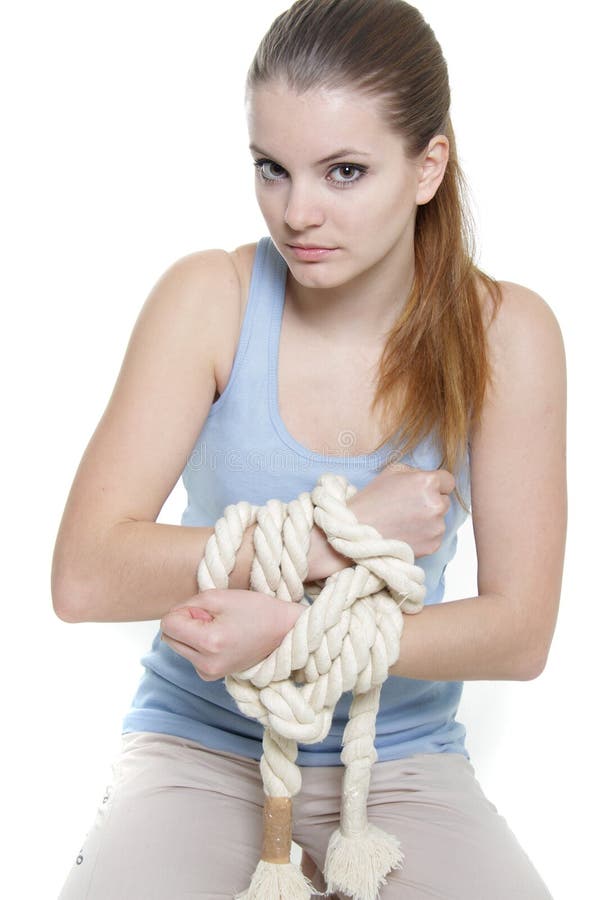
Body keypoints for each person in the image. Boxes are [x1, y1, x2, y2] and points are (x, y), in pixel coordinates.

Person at [52, 1, 566, 897]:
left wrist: (295, 628)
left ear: (427, 166)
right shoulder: (207, 298)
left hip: (401, 763)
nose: (298, 213)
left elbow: (520, 634)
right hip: (202, 746)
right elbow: (84, 576)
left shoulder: (507, 334)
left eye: (344, 171)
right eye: (272, 169)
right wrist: (338, 533)